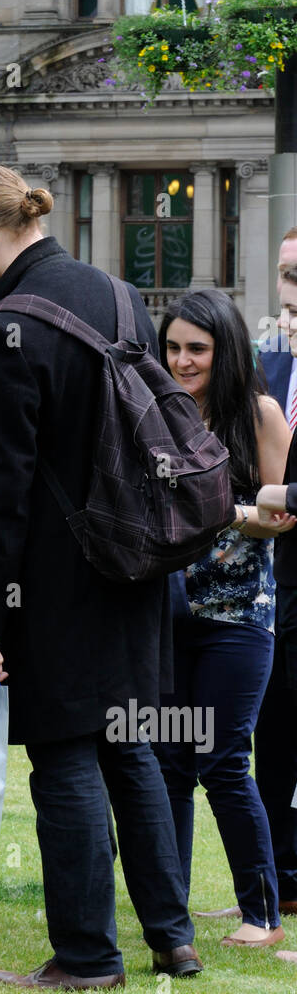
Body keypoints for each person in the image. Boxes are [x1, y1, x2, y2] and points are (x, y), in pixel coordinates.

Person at [0, 162, 199, 991]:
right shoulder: (120, 295)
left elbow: (4, 493)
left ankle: (86, 958)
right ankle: (172, 937)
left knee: (65, 758)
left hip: (58, 577)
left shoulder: (6, 325)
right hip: (138, 560)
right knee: (132, 752)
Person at [155, 290, 293, 949]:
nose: (181, 361)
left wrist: (217, 512)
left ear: (225, 351)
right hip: (166, 613)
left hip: (238, 618)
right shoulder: (154, 413)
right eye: (173, 347)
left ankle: (261, 916)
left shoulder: (259, 414)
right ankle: (169, 910)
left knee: (221, 761)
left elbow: (278, 516)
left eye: (196, 350)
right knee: (169, 765)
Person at [249, 239, 297, 922]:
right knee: (273, 744)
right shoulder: (269, 368)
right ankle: (280, 885)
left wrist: (280, 495)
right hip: (274, 595)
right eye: (287, 273)